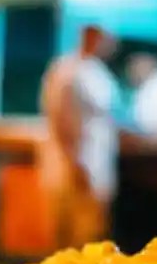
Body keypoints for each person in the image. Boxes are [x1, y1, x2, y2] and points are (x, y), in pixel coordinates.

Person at [39, 25, 119, 248]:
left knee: (92, 233)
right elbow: (60, 118)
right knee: (69, 235)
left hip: (96, 164)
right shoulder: (66, 70)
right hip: (73, 165)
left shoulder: (98, 72)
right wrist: (75, 162)